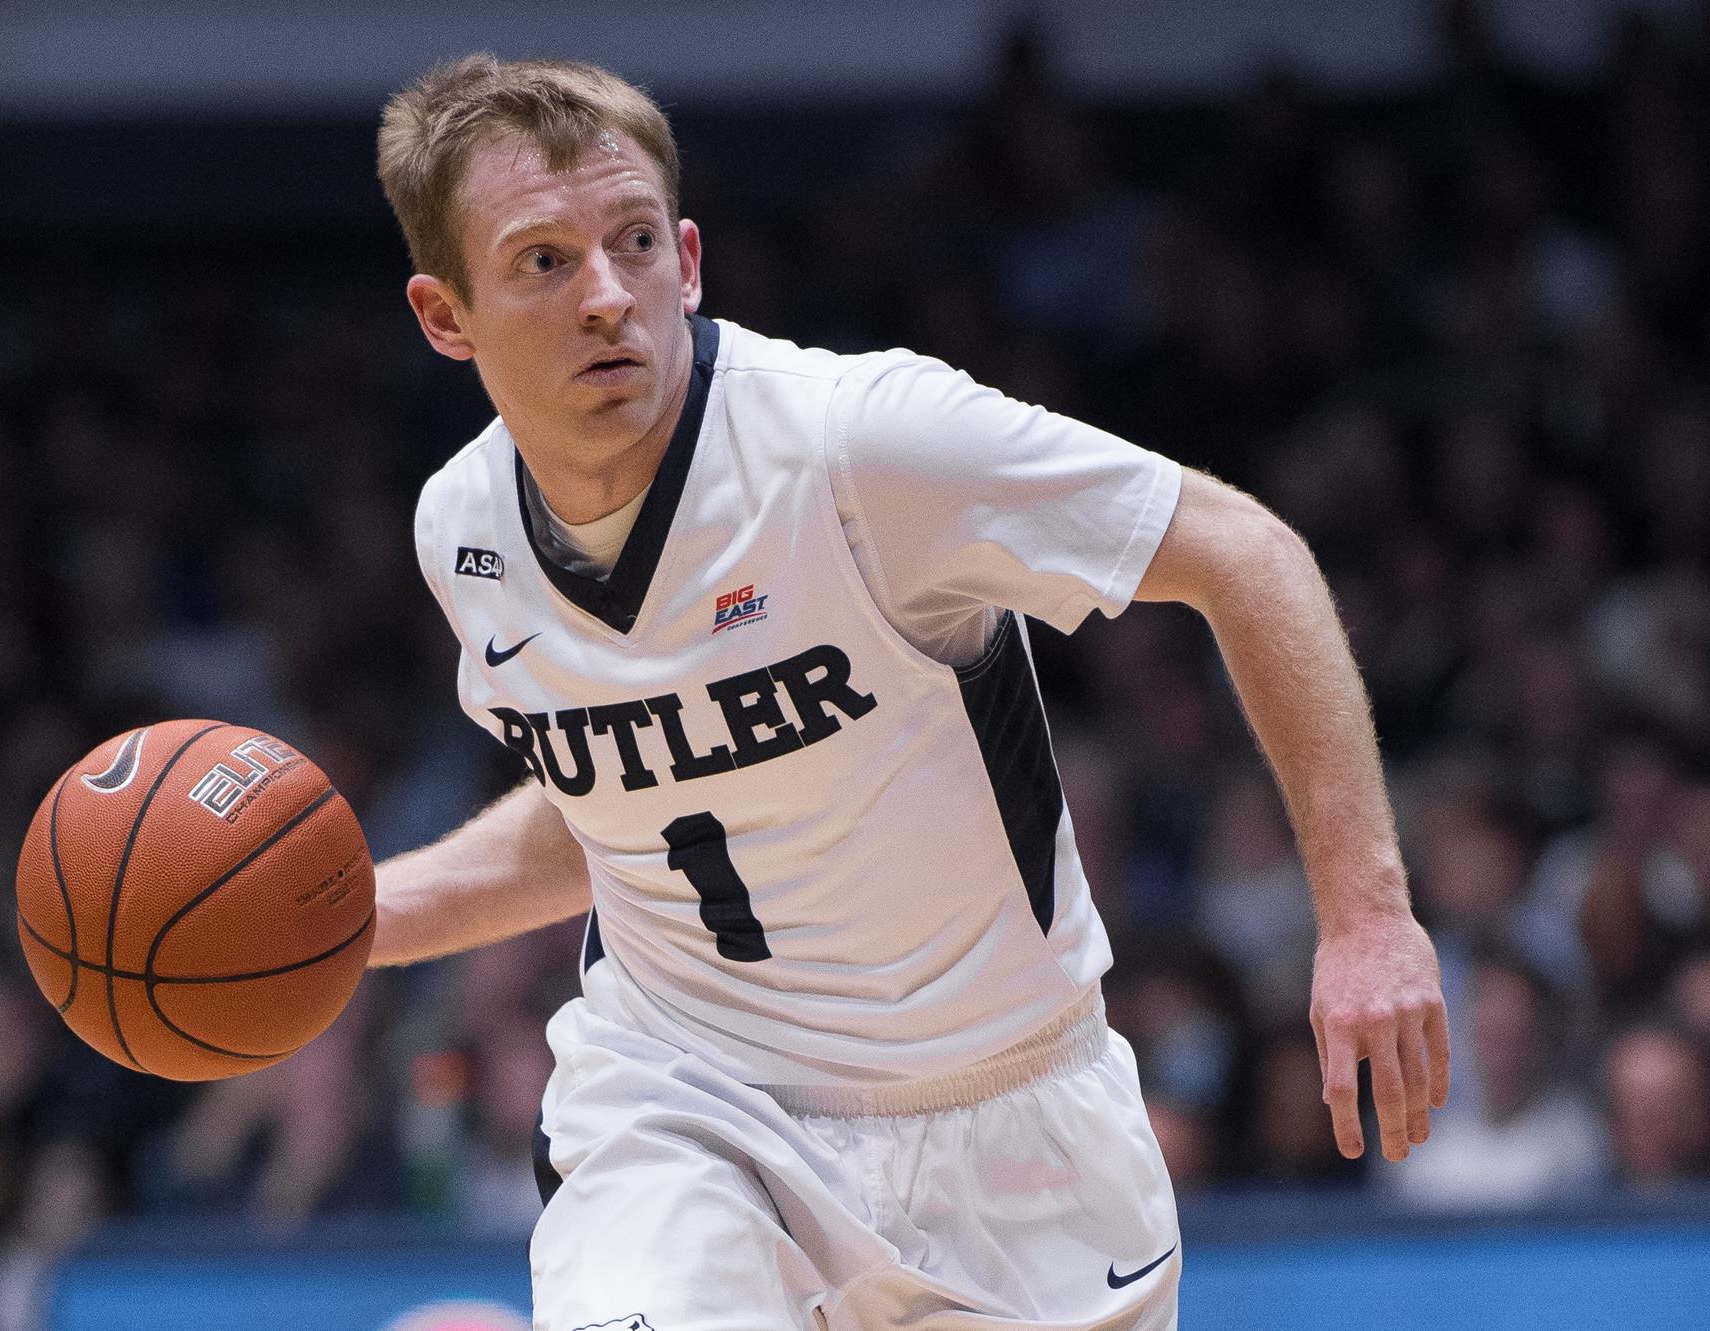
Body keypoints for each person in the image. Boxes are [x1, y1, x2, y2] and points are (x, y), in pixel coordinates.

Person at [367, 54, 1447, 1331]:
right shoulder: (463, 530)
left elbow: (1243, 553)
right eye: (543, 260)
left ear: (690, 258)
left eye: (633, 240)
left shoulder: (861, 443)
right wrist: (367, 917)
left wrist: (1367, 915)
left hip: (1006, 1119)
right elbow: (626, 800)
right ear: (447, 316)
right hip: (687, 1097)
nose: (607, 295)